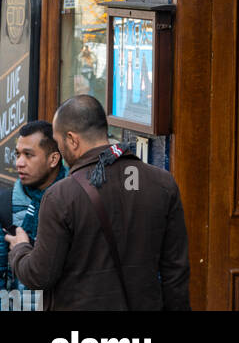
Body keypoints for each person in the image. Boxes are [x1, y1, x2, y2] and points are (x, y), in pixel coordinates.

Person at [5, 94, 190, 311]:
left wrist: (20, 249)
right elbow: (175, 272)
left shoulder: (60, 196)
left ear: (72, 140)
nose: (60, 151)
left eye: (60, 142)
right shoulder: (162, 183)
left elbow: (39, 275)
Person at [0, 120, 66, 305]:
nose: (19, 163)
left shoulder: (74, 200)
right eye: (18, 154)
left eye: (29, 155)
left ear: (53, 159)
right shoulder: (5, 205)